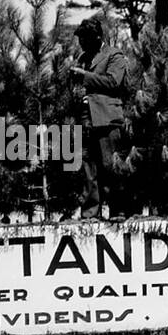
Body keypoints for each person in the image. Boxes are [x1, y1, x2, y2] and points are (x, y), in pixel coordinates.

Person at [70, 15, 133, 219]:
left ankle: (118, 210)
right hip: (85, 118)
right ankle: (90, 214)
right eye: (80, 38)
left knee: (111, 165)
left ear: (97, 37)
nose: (81, 43)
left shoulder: (114, 55)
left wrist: (84, 76)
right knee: (88, 168)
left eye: (85, 38)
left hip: (107, 118)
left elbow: (113, 82)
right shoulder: (82, 59)